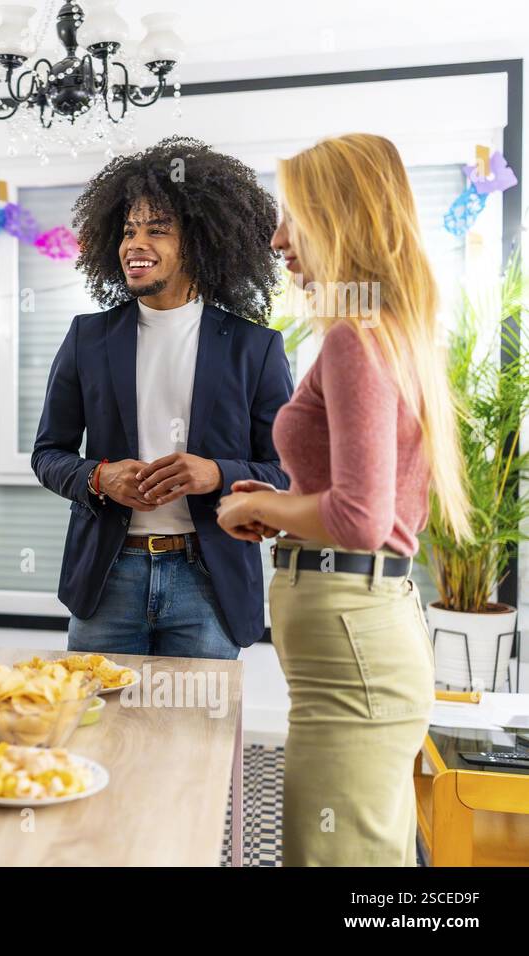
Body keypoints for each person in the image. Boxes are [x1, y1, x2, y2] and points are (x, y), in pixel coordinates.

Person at [217, 133, 469, 866]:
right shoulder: (389, 332)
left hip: (355, 648)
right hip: (362, 640)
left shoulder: (356, 340)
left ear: (339, 216)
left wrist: (241, 511)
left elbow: (360, 519)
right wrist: (284, 502)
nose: (277, 238)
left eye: (292, 216)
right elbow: (359, 502)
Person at [33, 136, 292, 659]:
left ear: (198, 242)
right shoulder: (88, 337)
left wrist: (215, 473)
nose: (134, 244)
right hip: (108, 576)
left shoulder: (255, 348)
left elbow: (285, 471)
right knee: (95, 731)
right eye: (128, 230)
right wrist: (98, 476)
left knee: (197, 737)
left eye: (157, 230)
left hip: (207, 578)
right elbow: (48, 454)